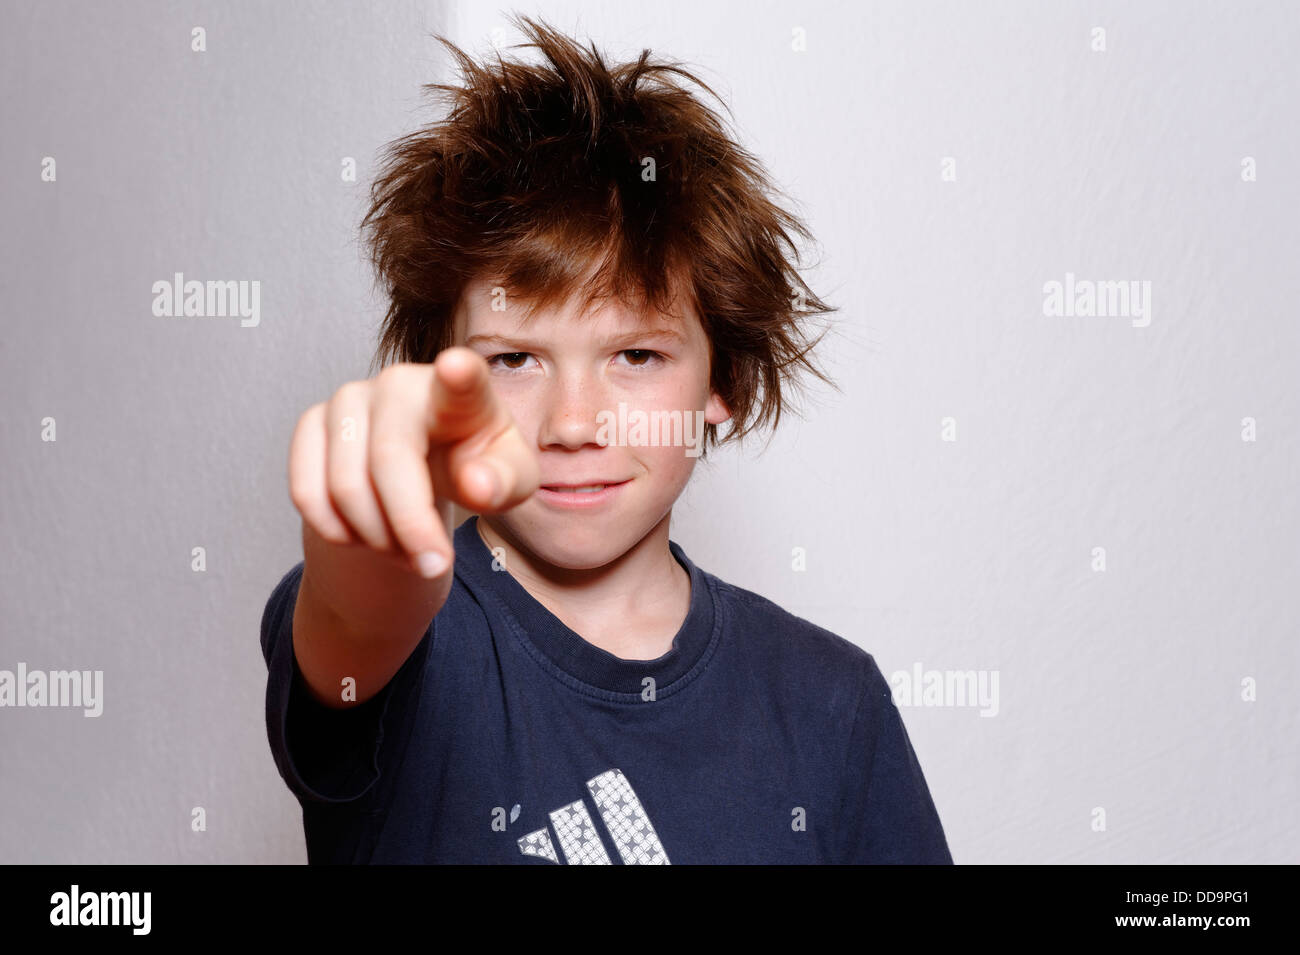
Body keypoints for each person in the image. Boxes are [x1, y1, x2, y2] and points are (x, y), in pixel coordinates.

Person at [260, 14, 952, 864]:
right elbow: (353, 617)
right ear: (444, 380)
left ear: (721, 381)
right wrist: (366, 526)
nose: (574, 423)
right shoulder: (419, 653)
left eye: (635, 354)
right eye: (514, 358)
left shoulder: (831, 702)